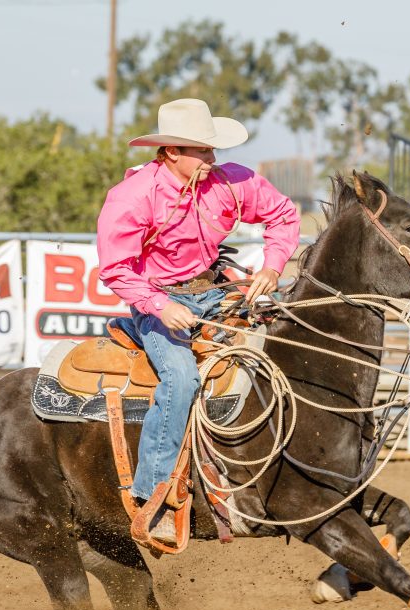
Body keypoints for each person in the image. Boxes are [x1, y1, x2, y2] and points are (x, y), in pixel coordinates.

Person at [96, 98, 300, 545]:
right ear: (171, 152)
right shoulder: (133, 197)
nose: (213, 159)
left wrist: (272, 266)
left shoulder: (230, 182)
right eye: (203, 151)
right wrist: (158, 304)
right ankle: (154, 497)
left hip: (215, 290)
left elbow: (283, 214)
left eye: (212, 150)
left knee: (292, 349)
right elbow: (116, 269)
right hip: (161, 303)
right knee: (181, 379)